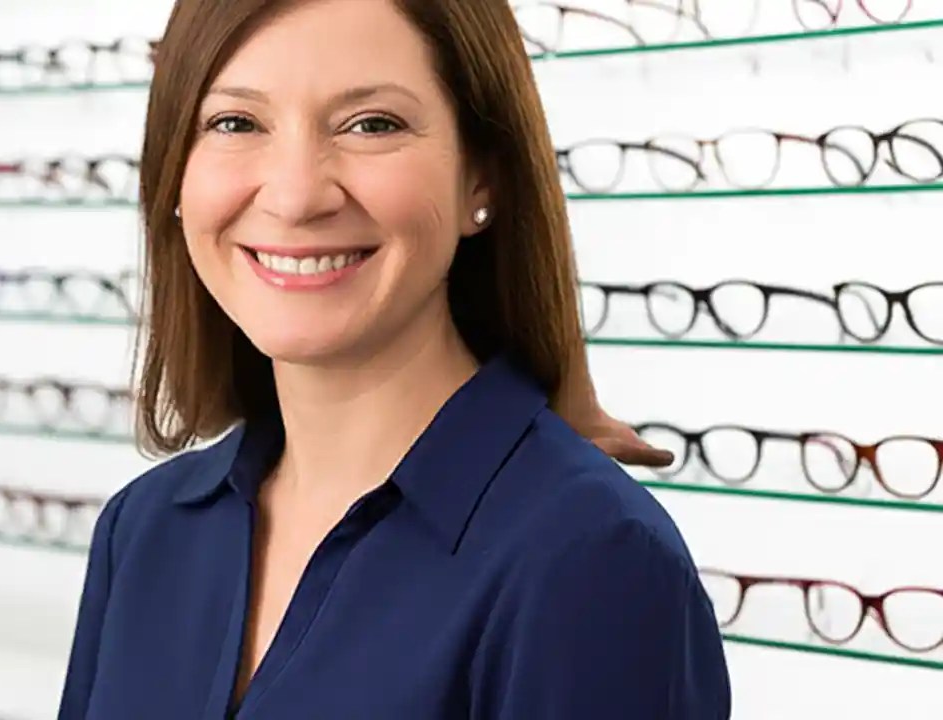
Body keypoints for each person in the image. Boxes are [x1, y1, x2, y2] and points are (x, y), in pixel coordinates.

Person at [58, 0, 729, 718]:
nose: (295, 196)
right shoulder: (145, 530)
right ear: (173, 178)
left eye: (371, 124)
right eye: (236, 123)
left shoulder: (590, 560)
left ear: (482, 178)